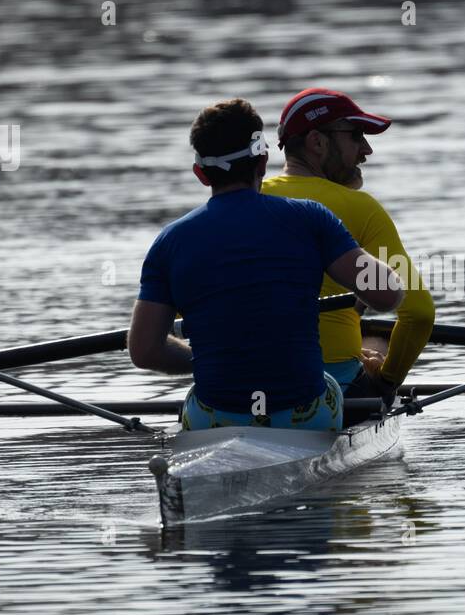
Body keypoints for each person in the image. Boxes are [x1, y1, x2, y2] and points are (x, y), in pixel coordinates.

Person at [128, 98, 403, 431]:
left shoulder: (169, 243)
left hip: (216, 415)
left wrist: (207, 360)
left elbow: (144, 351)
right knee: (331, 382)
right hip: (303, 411)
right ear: (262, 160)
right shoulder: (310, 219)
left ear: (201, 174)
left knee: (197, 397)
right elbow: (387, 295)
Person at [262, 87, 435, 408]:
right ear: (317, 142)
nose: (366, 150)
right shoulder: (360, 207)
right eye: (356, 135)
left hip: (238, 393)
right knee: (377, 336)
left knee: (360, 319)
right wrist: (386, 381)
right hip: (333, 394)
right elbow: (420, 315)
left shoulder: (239, 200)